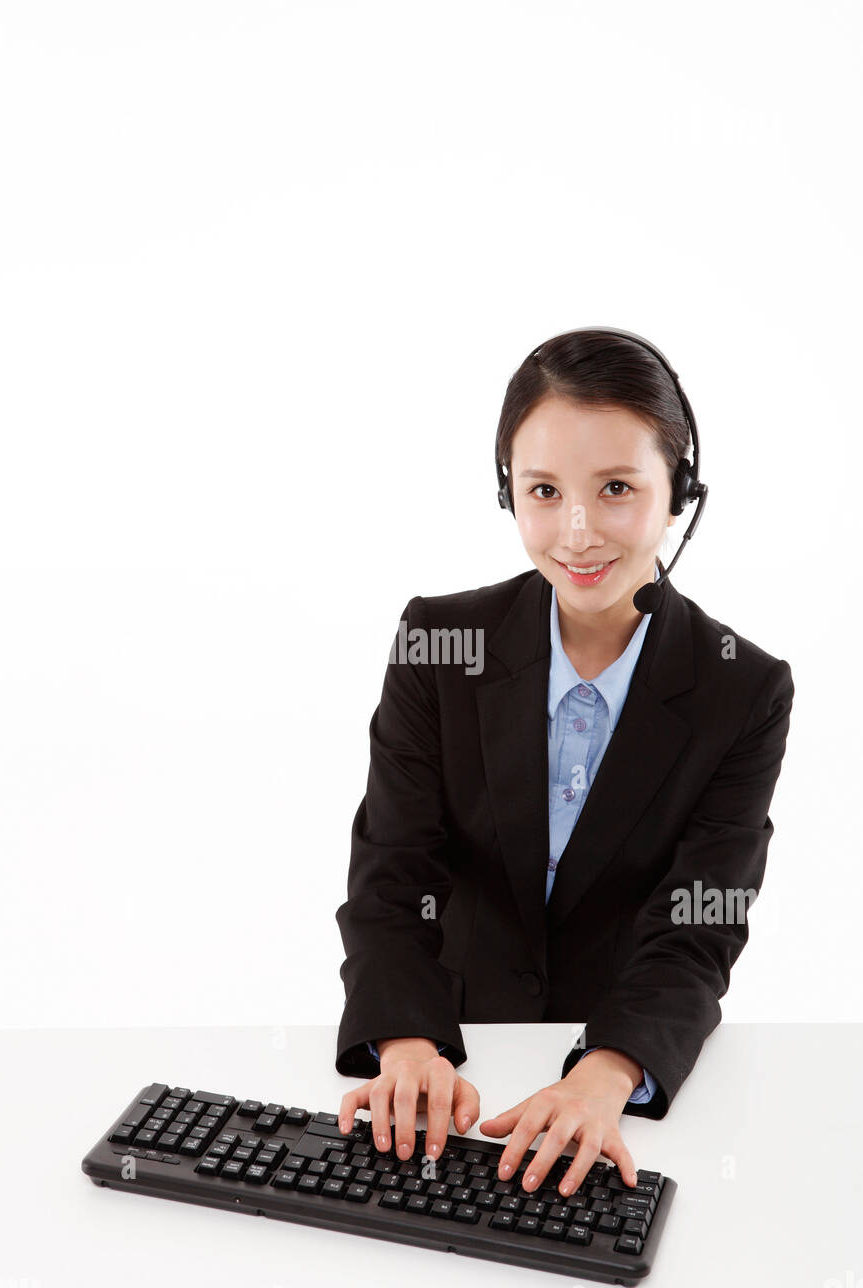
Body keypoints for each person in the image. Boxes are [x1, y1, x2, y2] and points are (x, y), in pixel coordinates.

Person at [333, 327, 794, 1201]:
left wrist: (604, 1075)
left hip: (615, 1072)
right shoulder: (441, 642)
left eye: (616, 488)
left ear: (678, 496)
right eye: (544, 490)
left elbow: (700, 919)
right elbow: (393, 873)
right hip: (456, 1058)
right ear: (508, 494)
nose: (577, 532)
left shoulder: (745, 689)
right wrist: (406, 1044)